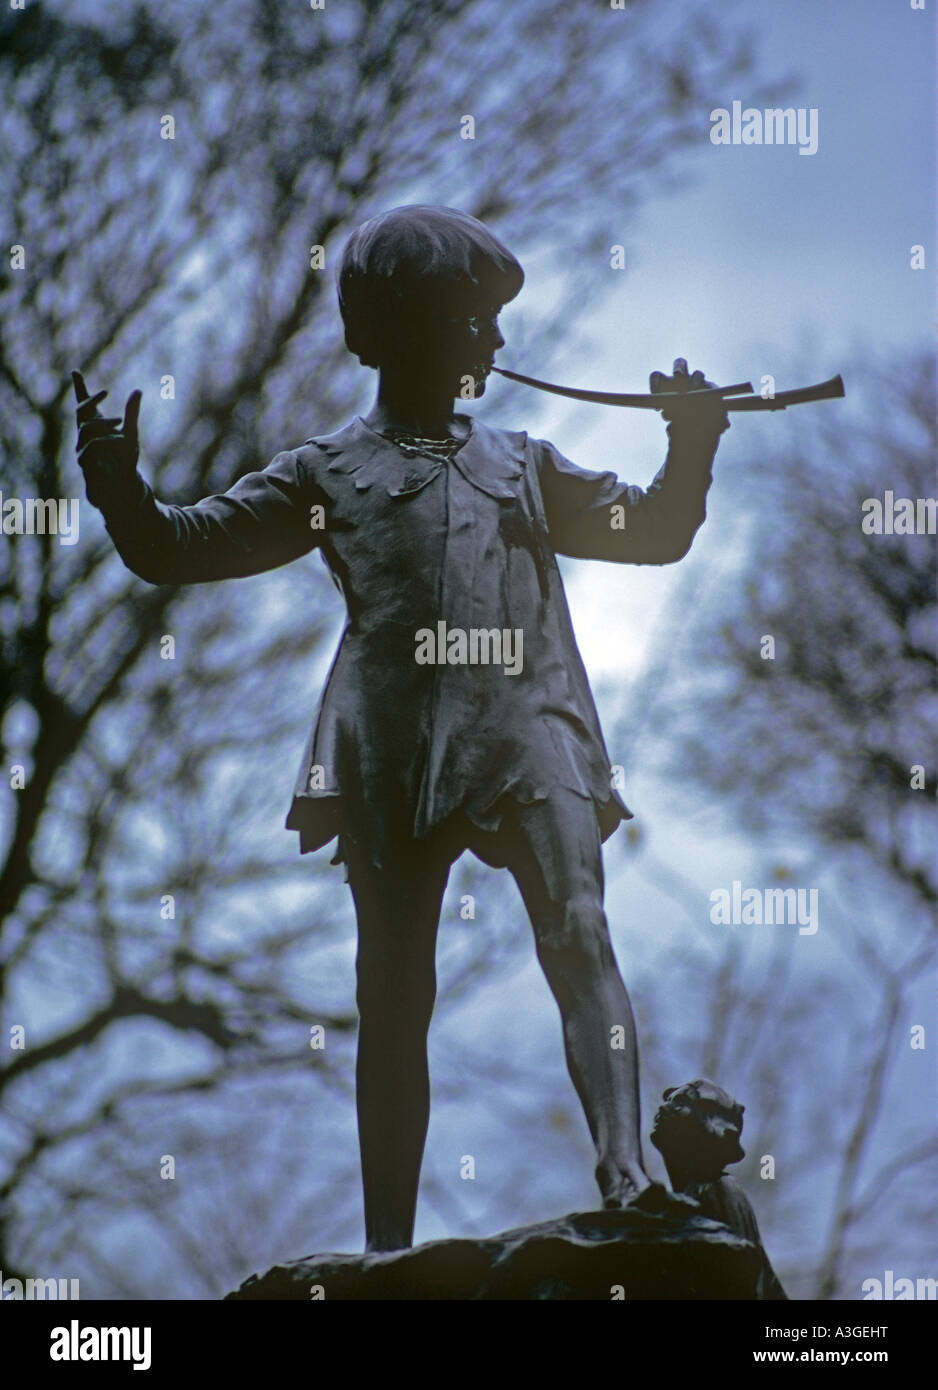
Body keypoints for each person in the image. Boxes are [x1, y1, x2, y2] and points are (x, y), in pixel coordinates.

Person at [73, 204, 730, 1253]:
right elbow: (179, 548)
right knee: (391, 990)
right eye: (476, 322)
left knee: (579, 928)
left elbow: (651, 529)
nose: (498, 344)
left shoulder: (520, 462)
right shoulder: (325, 474)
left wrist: (691, 441)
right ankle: (390, 1251)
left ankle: (623, 1171)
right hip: (391, 744)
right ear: (411, 324)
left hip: (528, 725)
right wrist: (116, 486)